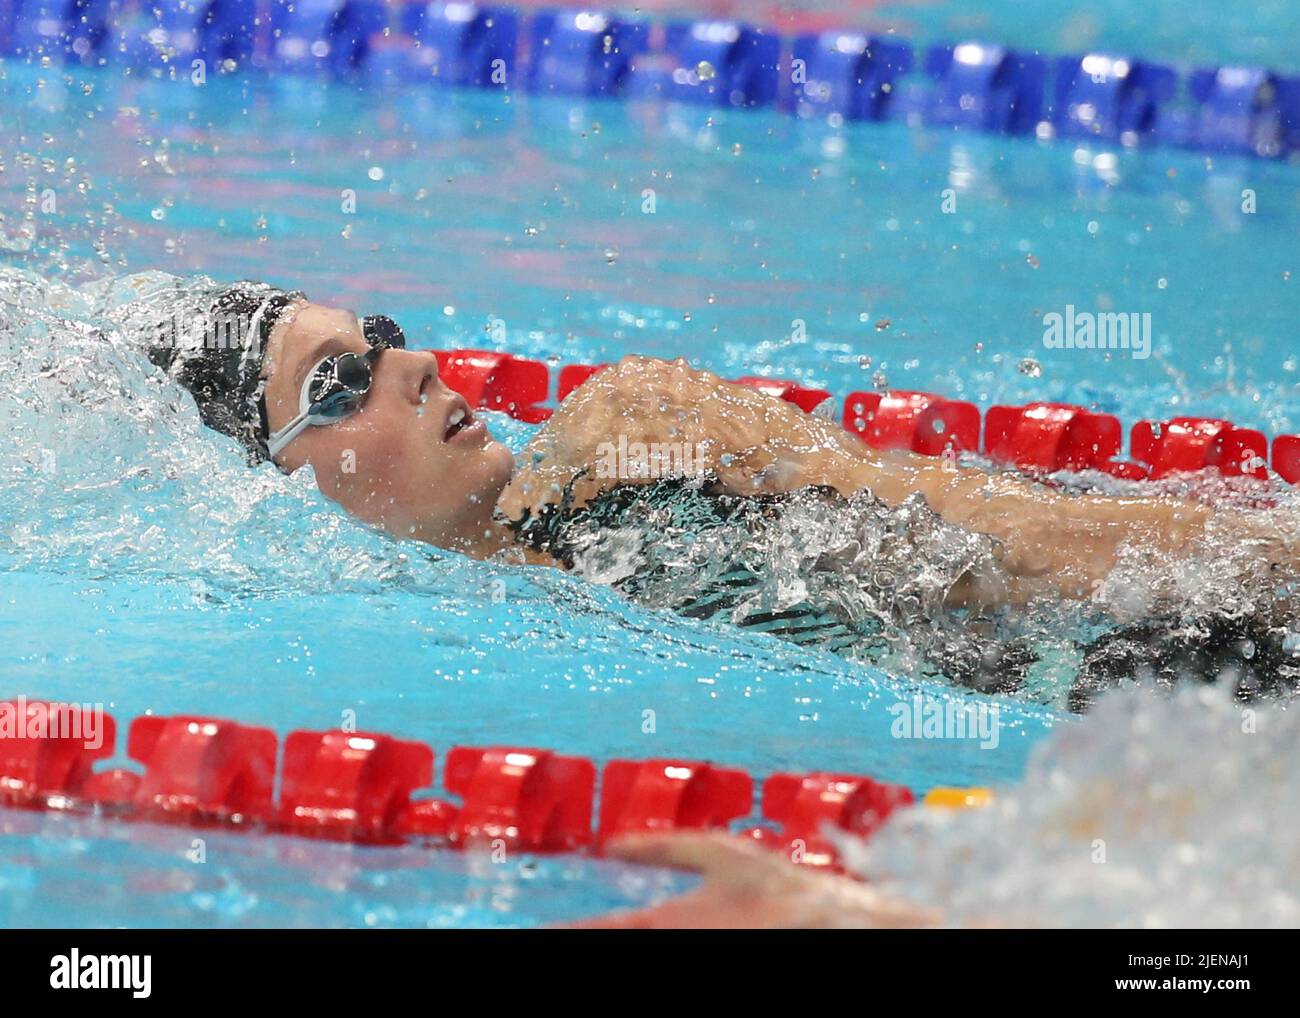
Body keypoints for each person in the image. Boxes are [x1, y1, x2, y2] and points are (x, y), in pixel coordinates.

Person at [141, 281, 1300, 702]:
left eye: (381, 333)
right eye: (339, 380)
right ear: (265, 486)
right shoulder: (465, 619)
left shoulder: (626, 439)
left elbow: (1031, 541)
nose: (414, 363)